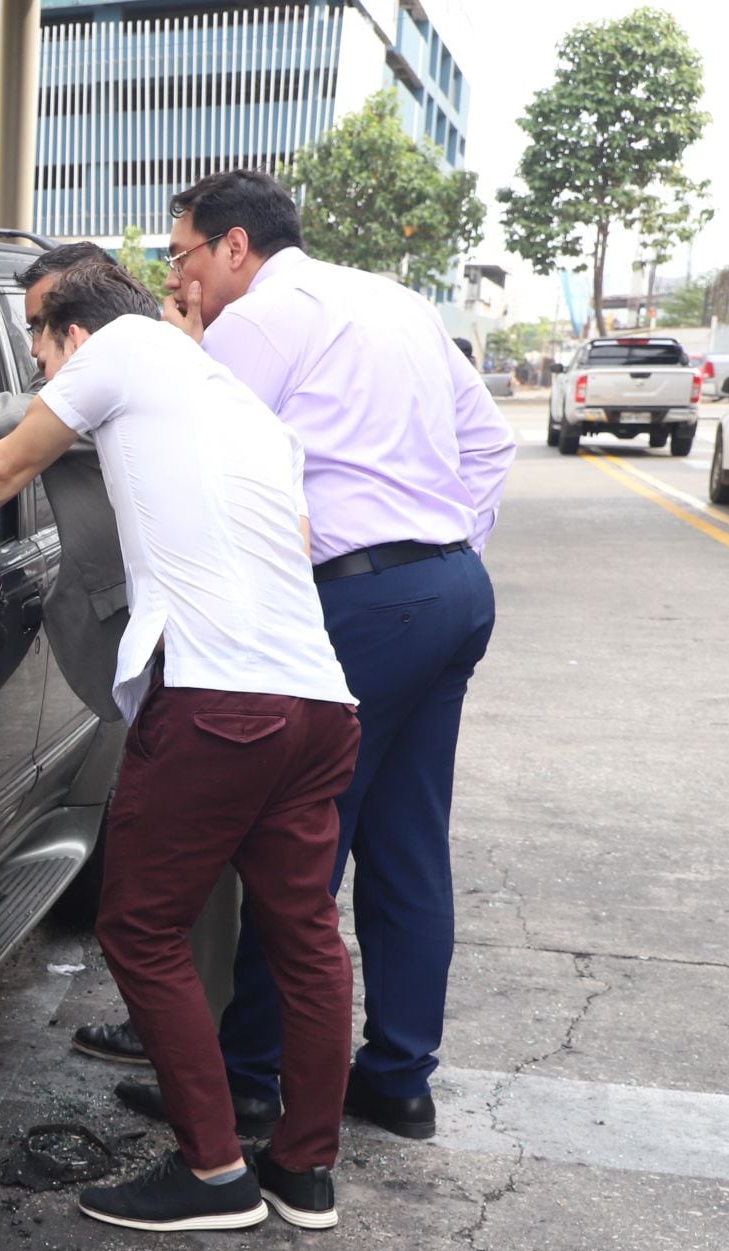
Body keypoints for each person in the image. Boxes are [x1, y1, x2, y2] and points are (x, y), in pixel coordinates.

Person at [0, 258, 359, 1232]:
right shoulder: (244, 406)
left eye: (38, 336)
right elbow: (291, 536)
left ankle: (212, 1176)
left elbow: (4, 465)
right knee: (308, 942)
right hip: (317, 700)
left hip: (216, 701)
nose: (36, 356)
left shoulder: (114, 350)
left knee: (141, 929)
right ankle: (304, 1171)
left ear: (75, 330)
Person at [150, 169, 514, 1141]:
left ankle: (251, 1078)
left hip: (362, 606)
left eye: (181, 255)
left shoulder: (258, 321)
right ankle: (398, 1077)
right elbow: (490, 443)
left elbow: (196, 457)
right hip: (448, 594)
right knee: (404, 839)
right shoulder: (395, 301)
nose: (180, 278)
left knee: (294, 843)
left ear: (234, 245)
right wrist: (440, 553)